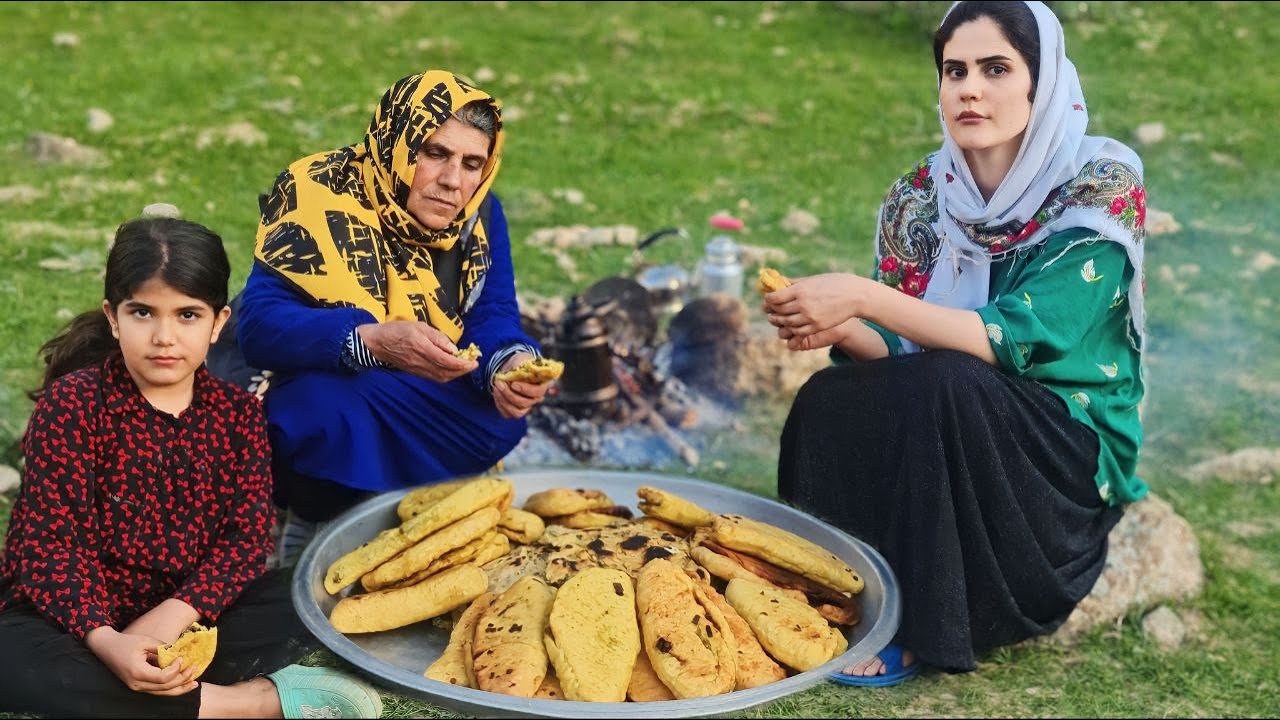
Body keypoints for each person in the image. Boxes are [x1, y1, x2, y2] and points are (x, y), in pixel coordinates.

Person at [765, 0, 1147, 685]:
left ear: (1044, 80)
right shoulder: (920, 194)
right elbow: (900, 346)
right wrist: (842, 326)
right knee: (830, 395)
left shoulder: (1100, 183)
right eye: (954, 70)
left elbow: (1021, 337)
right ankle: (831, 596)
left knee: (950, 383)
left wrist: (863, 296)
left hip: (1061, 451)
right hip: (960, 404)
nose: (969, 88)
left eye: (996, 68)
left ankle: (924, 622)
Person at [0, 217, 382, 718]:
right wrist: (106, 640)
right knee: (11, 656)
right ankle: (247, 703)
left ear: (218, 323)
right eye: (143, 313)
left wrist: (165, 624)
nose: (164, 337)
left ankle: (142, 689)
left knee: (307, 598)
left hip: (190, 617)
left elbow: (245, 543)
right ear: (113, 318)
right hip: (72, 620)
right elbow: (48, 545)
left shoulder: (238, 416)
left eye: (187, 315)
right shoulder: (72, 404)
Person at [236, 70, 550, 563]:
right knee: (323, 411)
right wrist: (368, 342)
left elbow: (493, 313)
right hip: (336, 380)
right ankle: (314, 515)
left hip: (419, 381)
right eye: (436, 153)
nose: (453, 181)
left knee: (501, 421)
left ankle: (401, 511)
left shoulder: (479, 217)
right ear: (397, 142)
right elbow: (258, 323)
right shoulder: (317, 194)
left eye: (473, 163)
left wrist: (507, 365)